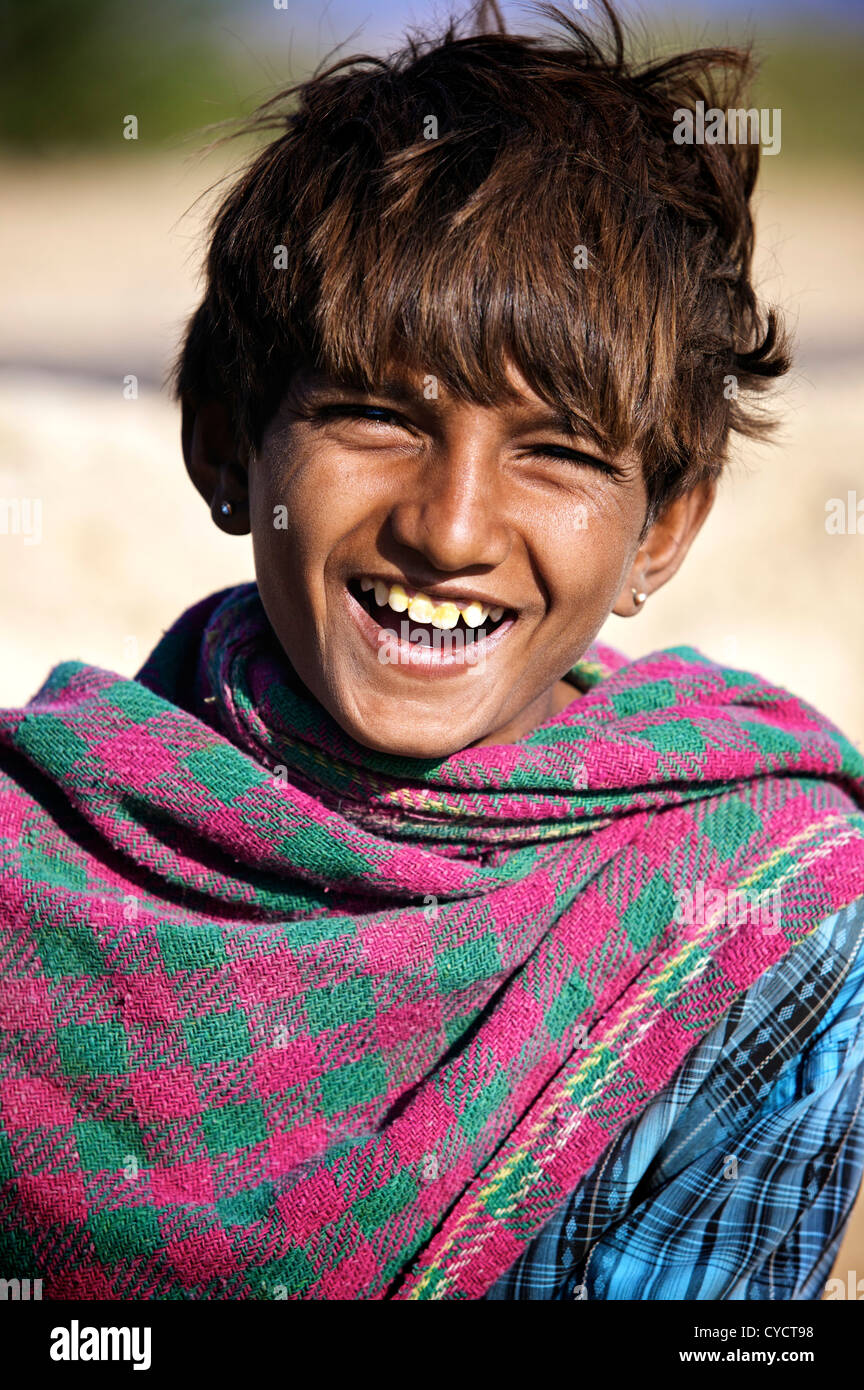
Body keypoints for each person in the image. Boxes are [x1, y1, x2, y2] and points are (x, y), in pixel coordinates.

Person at [1, 1, 862, 1301]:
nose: (450, 529)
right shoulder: (40, 867)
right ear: (227, 444)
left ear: (663, 529)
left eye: (558, 452)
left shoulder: (764, 924)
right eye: (370, 417)